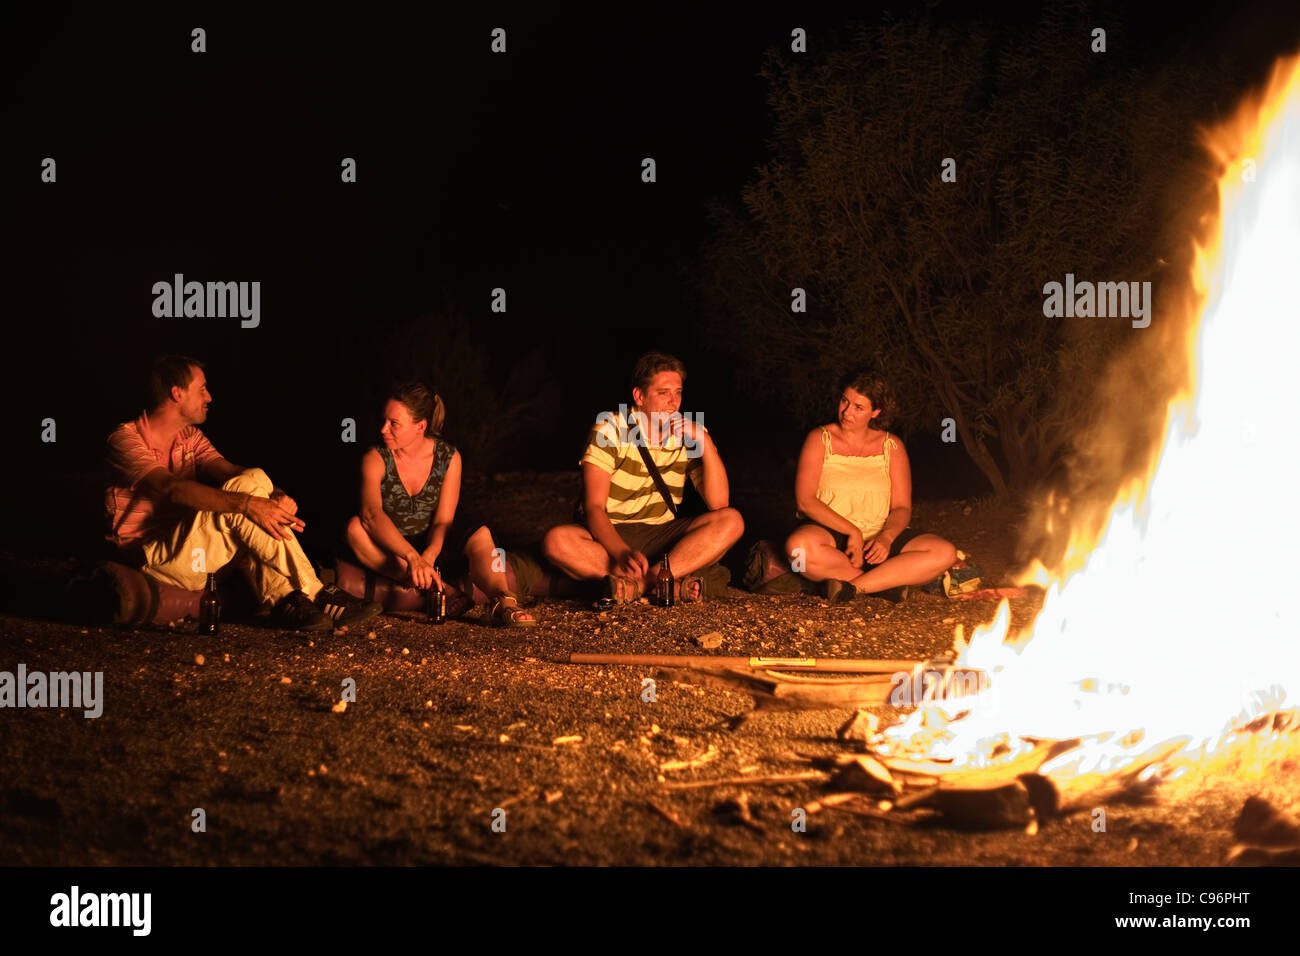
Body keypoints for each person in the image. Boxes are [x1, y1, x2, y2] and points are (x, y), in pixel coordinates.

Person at [105, 356, 381, 631]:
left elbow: (237, 473)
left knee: (254, 478)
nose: (209, 397)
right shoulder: (125, 439)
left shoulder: (189, 438)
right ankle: (316, 591)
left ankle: (288, 603)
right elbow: (171, 489)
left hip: (195, 552)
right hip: (154, 559)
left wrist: (277, 496)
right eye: (202, 389)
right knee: (242, 499)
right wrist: (249, 504)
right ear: (177, 393)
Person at [542, 351, 743, 602]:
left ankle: (641, 583)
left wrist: (705, 441)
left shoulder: (690, 432)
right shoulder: (610, 429)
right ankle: (667, 584)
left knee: (732, 521)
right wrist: (621, 552)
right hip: (611, 531)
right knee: (556, 541)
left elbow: (719, 504)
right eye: (663, 393)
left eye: (678, 392)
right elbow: (593, 507)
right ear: (639, 396)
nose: (673, 402)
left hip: (661, 533)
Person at [343, 383, 537, 627]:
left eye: (394, 423)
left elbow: (444, 519)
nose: (383, 429)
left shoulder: (449, 457)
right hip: (393, 544)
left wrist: (428, 555)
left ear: (420, 427)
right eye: (384, 421)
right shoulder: (375, 458)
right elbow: (371, 514)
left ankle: (504, 600)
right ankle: (442, 588)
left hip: (434, 543)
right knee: (354, 528)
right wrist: (412, 557)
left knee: (481, 534)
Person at [784, 371, 957, 601]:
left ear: (875, 412)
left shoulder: (891, 446)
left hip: (878, 535)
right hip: (832, 534)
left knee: (945, 553)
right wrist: (852, 532)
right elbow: (805, 502)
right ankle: (885, 584)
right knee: (798, 549)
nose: (847, 412)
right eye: (845, 400)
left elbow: (902, 508)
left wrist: (886, 538)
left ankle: (853, 587)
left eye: (858, 407)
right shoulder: (819, 439)